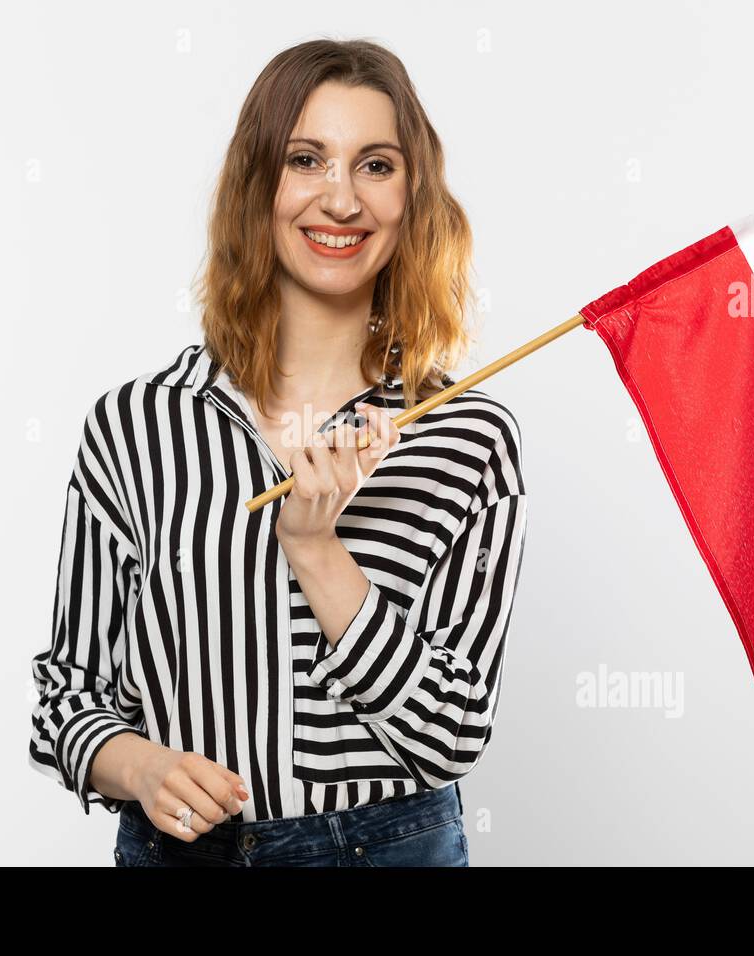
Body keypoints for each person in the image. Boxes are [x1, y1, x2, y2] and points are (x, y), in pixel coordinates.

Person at [29, 37, 529, 867]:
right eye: (307, 160)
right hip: (180, 851)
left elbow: (451, 732)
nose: (340, 200)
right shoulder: (137, 426)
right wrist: (143, 768)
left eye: (375, 166)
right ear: (260, 186)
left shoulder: (468, 438)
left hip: (387, 846)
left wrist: (315, 550)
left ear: (413, 198)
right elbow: (65, 699)